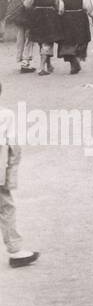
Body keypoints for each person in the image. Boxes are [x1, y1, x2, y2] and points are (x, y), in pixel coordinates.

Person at [0, 81, 38, 267]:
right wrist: (10, 174)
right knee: (6, 207)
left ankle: (15, 249)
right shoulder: (5, 115)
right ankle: (15, 250)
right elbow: (14, 147)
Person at [54, 0, 93, 75]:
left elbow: (60, 8)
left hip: (66, 18)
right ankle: (77, 58)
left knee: (68, 41)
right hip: (80, 16)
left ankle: (73, 61)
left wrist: (60, 15)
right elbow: (87, 5)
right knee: (81, 39)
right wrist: (92, 16)